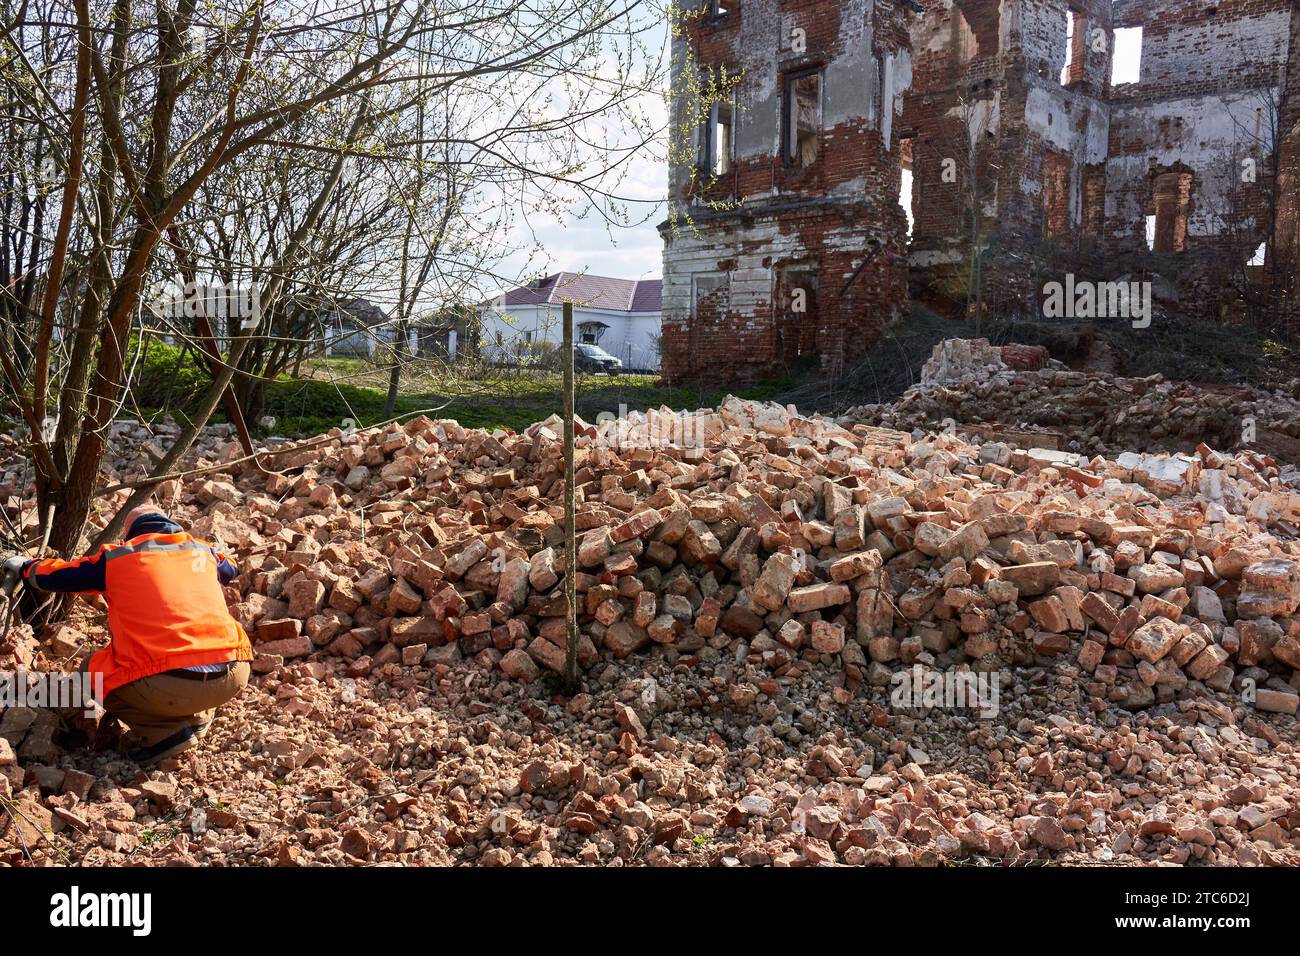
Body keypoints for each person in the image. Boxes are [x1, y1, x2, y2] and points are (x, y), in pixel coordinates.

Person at [6, 506, 252, 765]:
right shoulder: (202, 551)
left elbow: (58, 576)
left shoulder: (118, 558)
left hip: (170, 683)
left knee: (92, 672)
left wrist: (25, 567)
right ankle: (197, 718)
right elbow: (231, 568)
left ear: (130, 535)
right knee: (189, 663)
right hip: (233, 673)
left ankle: (164, 735)